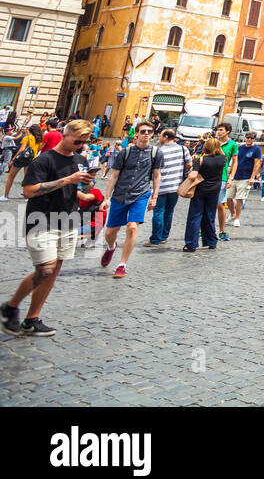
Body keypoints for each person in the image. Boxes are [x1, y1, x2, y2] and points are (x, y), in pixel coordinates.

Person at [2, 120, 93, 336]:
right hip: (41, 220)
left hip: (68, 219)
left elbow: (80, 187)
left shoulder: (80, 159)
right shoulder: (44, 160)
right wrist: (68, 179)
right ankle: (10, 307)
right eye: (77, 140)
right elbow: (29, 191)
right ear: (65, 134)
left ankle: (31, 319)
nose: (79, 145)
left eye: (84, 142)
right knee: (44, 270)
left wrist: (86, 183)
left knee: (52, 273)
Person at [98, 122, 160, 279]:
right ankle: (112, 247)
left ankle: (122, 264)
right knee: (110, 232)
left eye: (149, 131)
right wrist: (107, 198)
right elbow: (114, 175)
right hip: (120, 195)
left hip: (141, 194)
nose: (146, 133)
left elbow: (156, 175)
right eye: (143, 131)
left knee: (132, 227)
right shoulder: (125, 152)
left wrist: (155, 197)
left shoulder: (155, 153)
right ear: (136, 134)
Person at [146, 129, 190, 247]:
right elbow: (189, 164)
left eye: (160, 135)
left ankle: (155, 239)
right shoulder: (183, 149)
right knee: (169, 211)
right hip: (176, 186)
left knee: (158, 211)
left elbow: (153, 169)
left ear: (165, 137)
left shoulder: (159, 150)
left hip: (161, 186)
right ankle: (164, 236)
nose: (158, 137)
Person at [183, 138, 226, 251]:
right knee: (210, 216)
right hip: (214, 190)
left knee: (195, 216)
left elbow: (192, 176)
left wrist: (192, 168)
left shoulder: (201, 160)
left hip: (201, 191)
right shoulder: (222, 159)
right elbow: (222, 152)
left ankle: (191, 244)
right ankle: (211, 241)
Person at [229, 130, 261, 227]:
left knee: (239, 198)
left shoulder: (256, 149)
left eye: (251, 138)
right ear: (245, 138)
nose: (249, 140)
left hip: (246, 177)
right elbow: (234, 161)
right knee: (228, 197)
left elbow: (257, 163)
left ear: (254, 139)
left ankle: (237, 218)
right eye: (247, 138)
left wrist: (252, 177)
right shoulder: (240, 148)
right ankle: (232, 214)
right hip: (235, 175)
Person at [2, 125, 41, 201]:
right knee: (27, 179)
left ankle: (6, 196)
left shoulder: (27, 138)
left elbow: (21, 149)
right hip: (31, 159)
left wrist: (13, 158)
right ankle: (28, 196)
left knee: (11, 177)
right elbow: (39, 149)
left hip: (21, 159)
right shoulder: (39, 139)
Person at [214, 122, 238, 241]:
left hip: (222, 176)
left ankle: (222, 230)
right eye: (218, 130)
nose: (219, 132)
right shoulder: (213, 142)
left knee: (220, 204)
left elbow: (234, 162)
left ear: (227, 131)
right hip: (209, 176)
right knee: (207, 204)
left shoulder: (233, 144)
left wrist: (231, 178)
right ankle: (204, 229)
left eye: (221, 130)